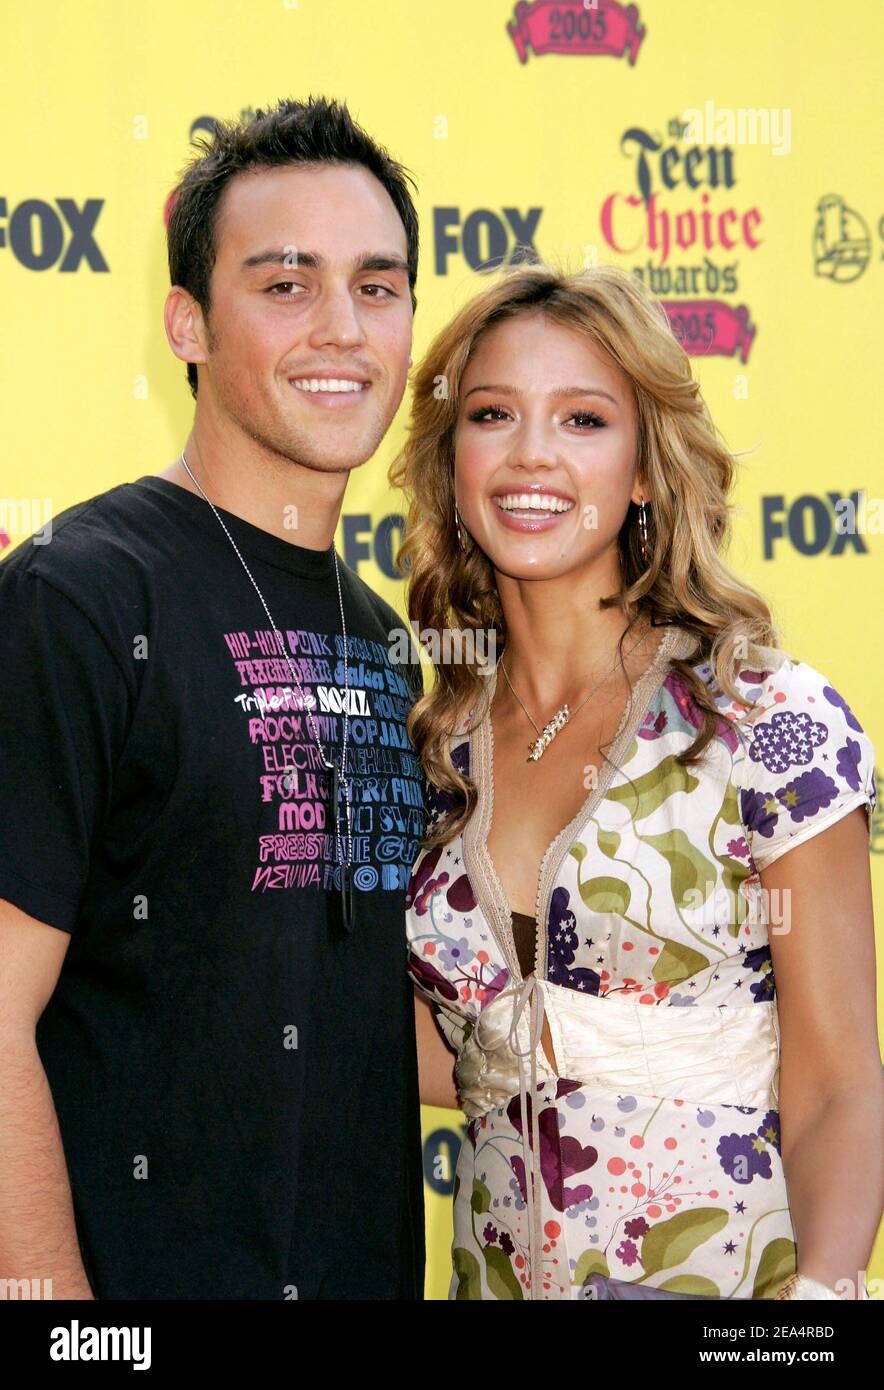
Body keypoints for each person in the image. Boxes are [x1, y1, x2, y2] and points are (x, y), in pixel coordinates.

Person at [0, 96, 427, 1300]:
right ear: (187, 321)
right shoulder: (78, 598)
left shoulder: (383, 644)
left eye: (377, 285)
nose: (341, 329)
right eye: (285, 285)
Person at [391, 262, 883, 1301]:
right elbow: (439, 1052)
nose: (531, 456)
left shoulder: (763, 721)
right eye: (491, 414)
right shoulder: (427, 750)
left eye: (581, 420)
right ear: (451, 459)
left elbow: (839, 1082)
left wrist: (818, 1303)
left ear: (647, 469)